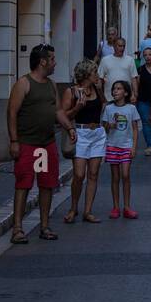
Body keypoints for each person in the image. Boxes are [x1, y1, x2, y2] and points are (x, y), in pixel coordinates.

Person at [7, 45, 75, 243]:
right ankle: (17, 228)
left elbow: (58, 111)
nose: (55, 63)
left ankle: (44, 225)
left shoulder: (51, 85)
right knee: (24, 185)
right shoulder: (23, 83)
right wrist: (14, 141)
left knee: (47, 185)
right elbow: (11, 112)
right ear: (42, 61)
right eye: (52, 59)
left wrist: (69, 128)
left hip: (46, 144)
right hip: (28, 143)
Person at [61, 60, 105, 224]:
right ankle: (73, 208)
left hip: (97, 134)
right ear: (86, 74)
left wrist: (101, 92)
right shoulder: (71, 92)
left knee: (93, 174)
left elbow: (104, 105)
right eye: (95, 72)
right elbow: (64, 116)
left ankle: (88, 211)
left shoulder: (96, 88)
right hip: (80, 133)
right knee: (79, 175)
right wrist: (78, 108)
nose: (97, 75)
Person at [102, 80, 139, 218]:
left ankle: (127, 206)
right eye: (114, 89)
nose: (115, 91)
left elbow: (135, 129)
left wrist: (134, 147)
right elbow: (104, 127)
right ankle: (116, 207)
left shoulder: (131, 108)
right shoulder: (109, 109)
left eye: (119, 89)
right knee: (115, 177)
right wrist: (109, 125)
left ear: (126, 92)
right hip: (112, 145)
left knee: (125, 175)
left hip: (126, 145)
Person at [98, 36, 139, 103]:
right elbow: (100, 79)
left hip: (126, 98)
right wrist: (102, 97)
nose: (122, 48)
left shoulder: (130, 60)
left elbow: (133, 79)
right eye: (120, 46)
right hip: (109, 98)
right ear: (114, 46)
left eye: (123, 46)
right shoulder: (105, 60)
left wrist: (135, 95)